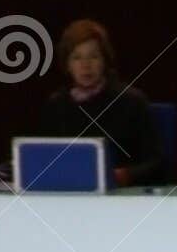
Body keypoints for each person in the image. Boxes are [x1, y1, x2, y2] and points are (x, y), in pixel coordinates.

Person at [36, 19, 165, 188]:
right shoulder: (56, 106)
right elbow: (42, 163)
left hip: (123, 200)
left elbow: (158, 164)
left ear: (104, 60)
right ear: (67, 64)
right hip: (69, 199)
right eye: (77, 58)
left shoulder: (132, 102)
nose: (85, 65)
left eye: (93, 56)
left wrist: (124, 176)